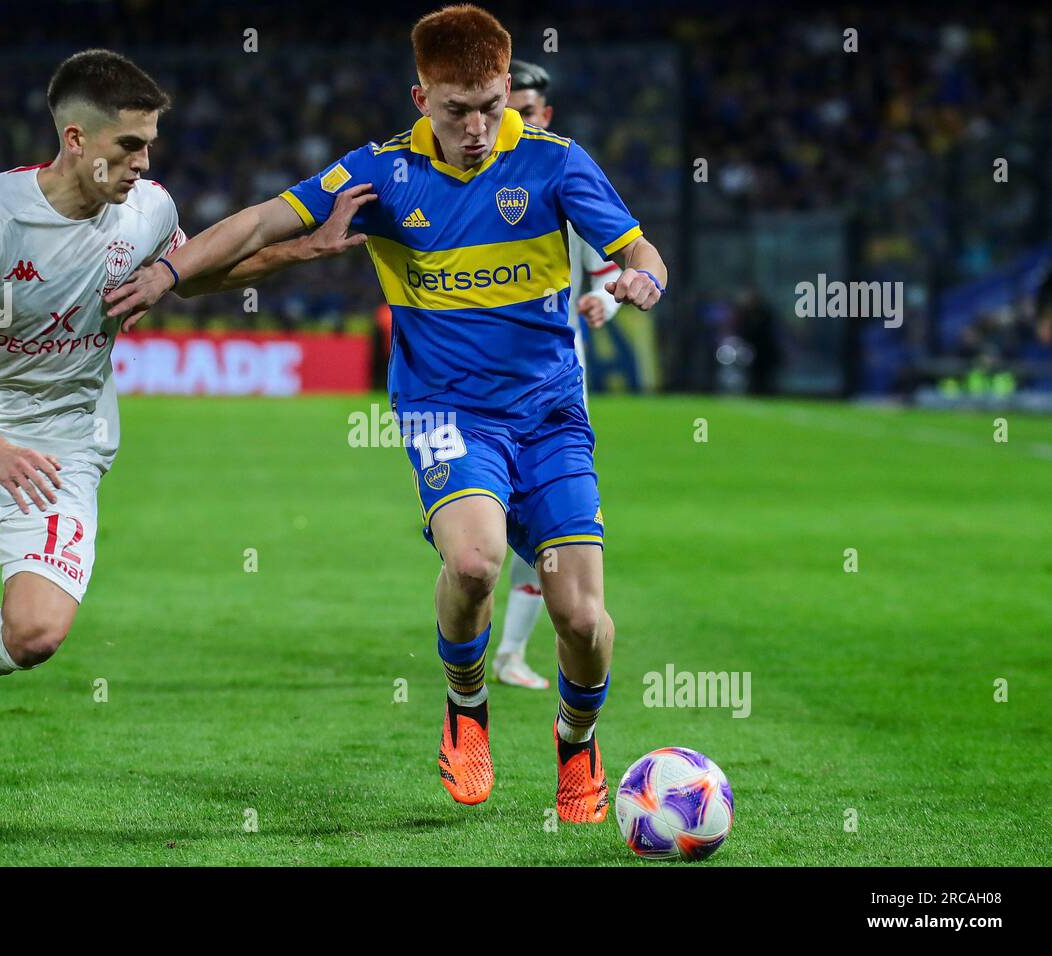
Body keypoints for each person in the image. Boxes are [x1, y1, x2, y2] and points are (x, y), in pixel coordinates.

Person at [107, 4, 666, 823]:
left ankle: (576, 741)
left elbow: (639, 250)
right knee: (473, 564)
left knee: (581, 618)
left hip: (550, 415)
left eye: (490, 107)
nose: (476, 128)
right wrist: (166, 273)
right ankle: (466, 707)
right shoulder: (382, 173)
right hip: (446, 411)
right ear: (420, 98)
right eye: (456, 110)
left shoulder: (556, 164)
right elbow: (260, 221)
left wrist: (643, 277)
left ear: (507, 92)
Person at [0, 48, 367, 836]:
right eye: (128, 146)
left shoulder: (148, 211)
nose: (143, 163)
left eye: (150, 145)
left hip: (67, 445)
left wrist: (299, 249)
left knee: (36, 635)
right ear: (75, 140)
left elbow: (191, 274)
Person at [490, 58, 630, 691]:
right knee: (488, 537)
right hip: (477, 386)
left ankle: (510, 652)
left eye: (526, 110)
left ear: (545, 114)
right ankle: (491, 654)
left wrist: (607, 300)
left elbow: (611, 265)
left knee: (546, 526)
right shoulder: (467, 180)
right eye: (505, 108)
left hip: (556, 381)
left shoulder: (563, 177)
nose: (514, 120)